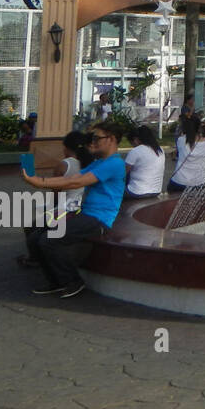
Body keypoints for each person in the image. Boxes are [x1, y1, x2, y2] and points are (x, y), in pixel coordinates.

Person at [23, 123, 127, 298]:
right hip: (85, 214)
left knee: (48, 240)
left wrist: (39, 182)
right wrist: (37, 180)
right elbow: (72, 177)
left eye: (96, 138)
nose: (92, 142)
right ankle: (55, 282)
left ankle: (72, 281)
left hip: (99, 219)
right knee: (35, 237)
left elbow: (77, 183)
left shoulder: (115, 164)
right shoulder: (100, 162)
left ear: (112, 139)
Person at [18, 131, 91, 269]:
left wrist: (51, 209)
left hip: (67, 208)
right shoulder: (91, 162)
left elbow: (56, 193)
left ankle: (34, 259)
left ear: (67, 147)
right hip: (83, 207)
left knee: (31, 228)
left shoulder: (64, 165)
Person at [167, 116, 205, 192]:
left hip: (178, 182)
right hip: (197, 184)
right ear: (199, 128)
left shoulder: (180, 140)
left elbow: (186, 135)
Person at [124, 125, 165, 199]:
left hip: (137, 192)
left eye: (132, 143)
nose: (133, 145)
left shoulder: (136, 151)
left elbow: (123, 173)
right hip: (156, 191)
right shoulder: (160, 150)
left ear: (136, 139)